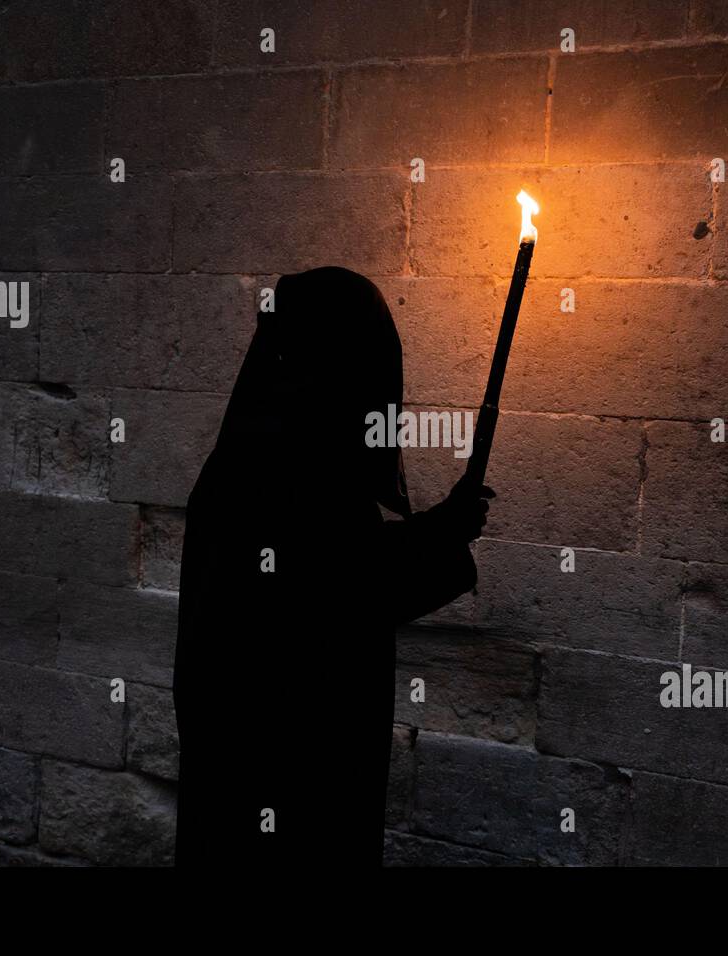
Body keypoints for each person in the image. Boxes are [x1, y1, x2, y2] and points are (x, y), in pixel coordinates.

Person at [173, 267, 493, 868]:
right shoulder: (278, 473)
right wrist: (443, 533)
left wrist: (441, 527)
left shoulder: (254, 460)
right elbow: (345, 586)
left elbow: (338, 569)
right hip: (286, 770)